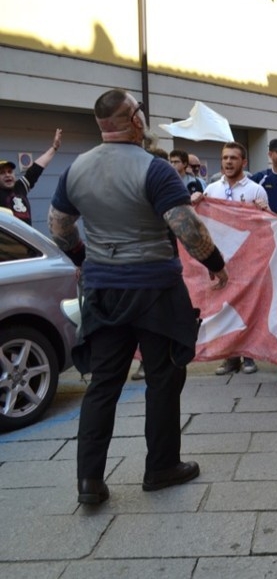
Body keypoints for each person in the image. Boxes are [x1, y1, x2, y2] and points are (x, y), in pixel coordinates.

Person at [47, 88, 228, 505]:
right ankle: (161, 466)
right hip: (154, 289)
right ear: (135, 120)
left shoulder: (75, 170)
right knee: (163, 377)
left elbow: (59, 226)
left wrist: (82, 255)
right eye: (140, 111)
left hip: (104, 287)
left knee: (103, 384)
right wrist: (215, 264)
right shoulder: (156, 170)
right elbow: (186, 226)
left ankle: (89, 480)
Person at [195, 141, 269, 375]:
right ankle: (229, 356)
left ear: (243, 162)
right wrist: (197, 201)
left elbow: (267, 227)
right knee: (222, 306)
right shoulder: (211, 190)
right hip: (220, 258)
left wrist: (263, 210)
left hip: (247, 258)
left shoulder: (256, 189)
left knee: (247, 305)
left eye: (233, 158)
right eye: (225, 158)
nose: (228, 162)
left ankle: (249, 354)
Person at [1, 128, 62, 226]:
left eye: (9, 171)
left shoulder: (19, 187)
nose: (7, 175)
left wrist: (54, 148)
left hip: (25, 239)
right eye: (2, 173)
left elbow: (36, 169)